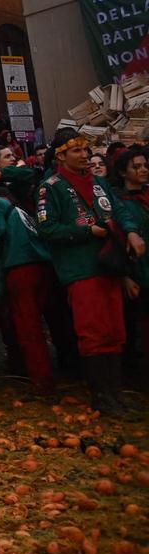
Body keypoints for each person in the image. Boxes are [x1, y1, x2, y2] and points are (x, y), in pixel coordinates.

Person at [38, 129, 144, 416]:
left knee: (115, 331)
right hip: (81, 269)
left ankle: (117, 394)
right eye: (77, 151)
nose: (85, 156)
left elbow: (119, 211)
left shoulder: (98, 182)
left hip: (110, 267)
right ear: (61, 156)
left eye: (86, 150)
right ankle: (102, 396)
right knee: (93, 333)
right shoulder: (51, 187)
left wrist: (131, 232)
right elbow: (47, 228)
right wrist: (87, 231)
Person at [0, 179, 55, 398]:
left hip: (20, 266)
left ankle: (42, 384)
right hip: (41, 264)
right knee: (35, 325)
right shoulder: (19, 209)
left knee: (28, 327)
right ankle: (41, 375)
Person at [113, 147, 149, 381]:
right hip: (136, 273)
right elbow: (115, 242)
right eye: (136, 167)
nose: (143, 170)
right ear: (123, 172)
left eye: (145, 165)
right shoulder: (118, 202)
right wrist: (124, 276)